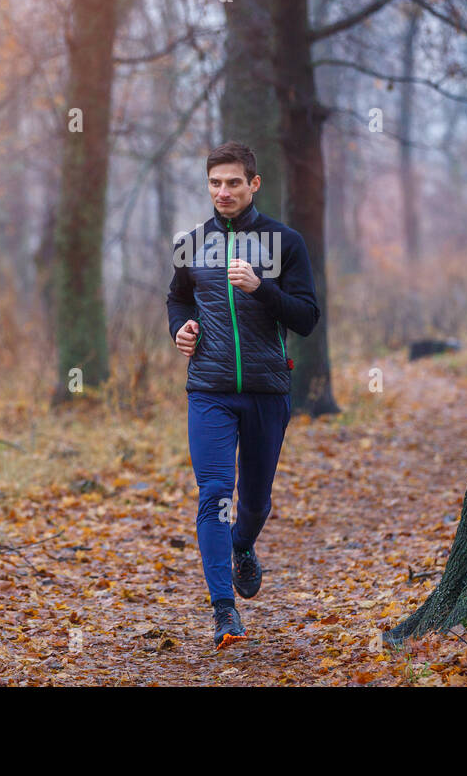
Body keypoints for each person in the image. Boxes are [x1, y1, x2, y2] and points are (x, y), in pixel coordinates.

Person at [165, 142, 321, 650]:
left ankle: (243, 547)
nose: (223, 192)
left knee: (254, 502)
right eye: (215, 183)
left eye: (233, 182)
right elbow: (178, 296)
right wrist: (179, 330)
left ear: (254, 184)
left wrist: (261, 288)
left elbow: (306, 317)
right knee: (215, 493)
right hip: (208, 389)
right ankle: (223, 611)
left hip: (266, 388)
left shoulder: (285, 241)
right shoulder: (191, 242)